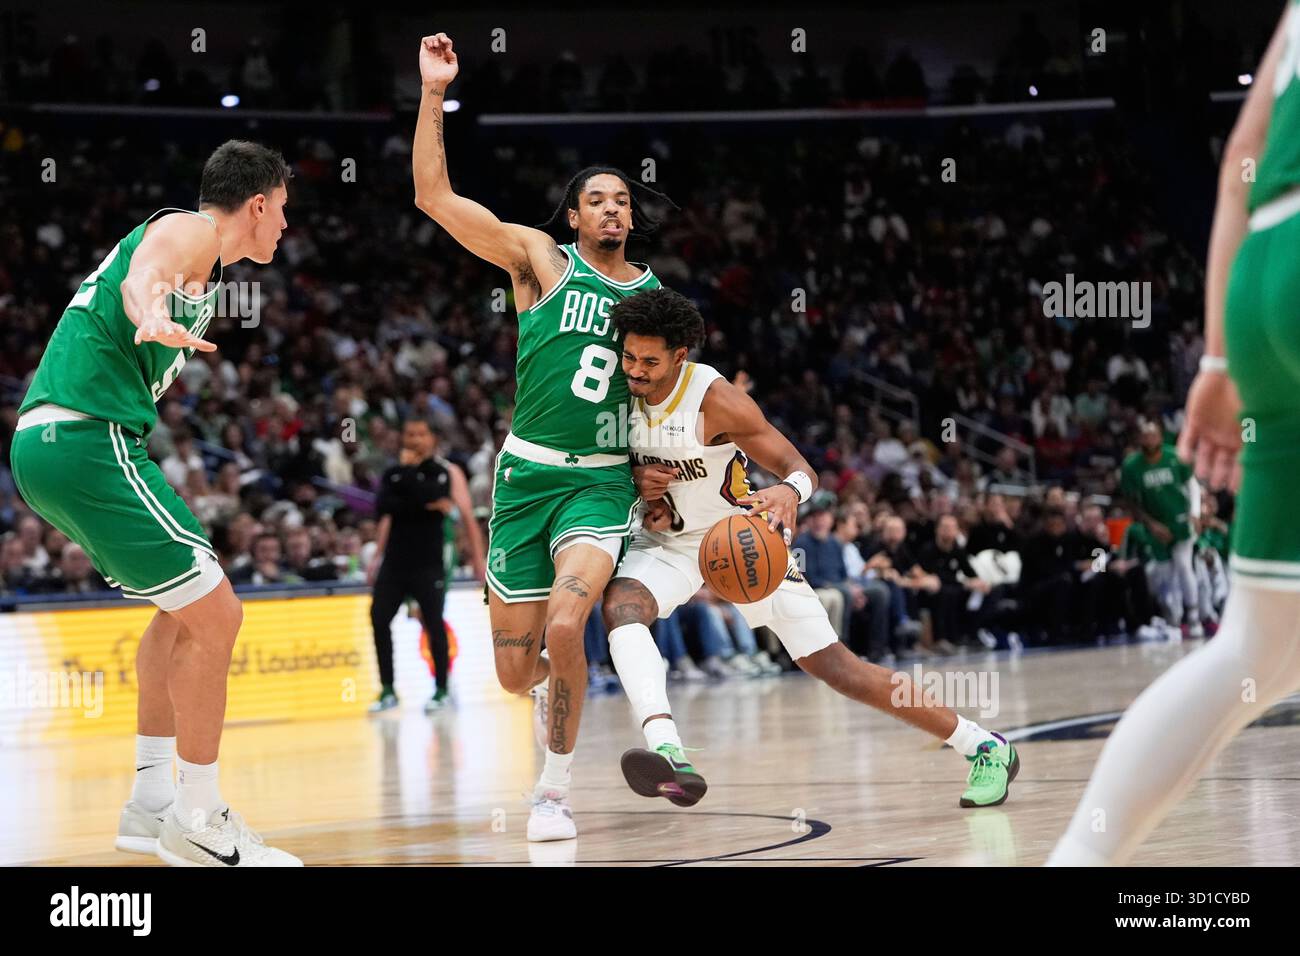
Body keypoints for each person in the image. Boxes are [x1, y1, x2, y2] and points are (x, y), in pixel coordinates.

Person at [600, 288, 1019, 811]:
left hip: (739, 538)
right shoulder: (615, 390)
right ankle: (668, 750)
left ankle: (983, 744)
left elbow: (799, 466)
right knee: (622, 606)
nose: (635, 369)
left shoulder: (716, 399)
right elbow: (603, 466)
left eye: (649, 361)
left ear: (680, 357)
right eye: (630, 356)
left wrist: (788, 491)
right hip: (670, 541)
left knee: (838, 669)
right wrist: (637, 482)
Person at [1050, 2, 1300, 864]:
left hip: (1267, 269)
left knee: (1263, 647)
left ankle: (1077, 860)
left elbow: (1240, 158)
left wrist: (1221, 360)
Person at [412, 33, 675, 841]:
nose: (613, 208)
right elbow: (433, 197)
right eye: (598, 198)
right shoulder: (538, 261)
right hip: (525, 478)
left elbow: (668, 399)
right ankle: (545, 697)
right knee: (512, 671)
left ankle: (552, 793)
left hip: (599, 484)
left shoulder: (659, 298)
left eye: (623, 200)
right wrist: (433, 94)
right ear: (571, 215)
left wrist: (661, 481)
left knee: (569, 626)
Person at [9, 139, 299, 865]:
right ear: (258, 204)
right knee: (220, 612)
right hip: (86, 435)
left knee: (181, 612)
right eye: (284, 211)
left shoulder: (209, 260)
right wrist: (147, 311)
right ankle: (200, 817)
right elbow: (146, 275)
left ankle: (150, 804)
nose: (287, 228)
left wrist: (155, 319)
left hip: (55, 445)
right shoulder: (192, 230)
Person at [366, 417, 483, 713]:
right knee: (379, 617)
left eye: (421, 433)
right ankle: (388, 690)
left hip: (432, 558)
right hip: (394, 560)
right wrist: (377, 555)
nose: (414, 439)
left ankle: (442, 687)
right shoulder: (393, 473)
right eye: (409, 433)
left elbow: (465, 516)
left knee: (432, 621)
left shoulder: (448, 471)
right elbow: (386, 512)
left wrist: (478, 558)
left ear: (433, 438)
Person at [1120, 419, 1203, 637]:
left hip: (1180, 519)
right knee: (1164, 575)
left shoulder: (1175, 456)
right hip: (1155, 524)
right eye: (1145, 435)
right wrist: (1151, 524)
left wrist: (1195, 513)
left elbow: (1192, 484)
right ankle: (1173, 619)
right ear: (1139, 439)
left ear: (1160, 436)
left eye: (1153, 434)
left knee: (1184, 565)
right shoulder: (1131, 466)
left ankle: (1193, 617)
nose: (1149, 439)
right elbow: (1131, 502)